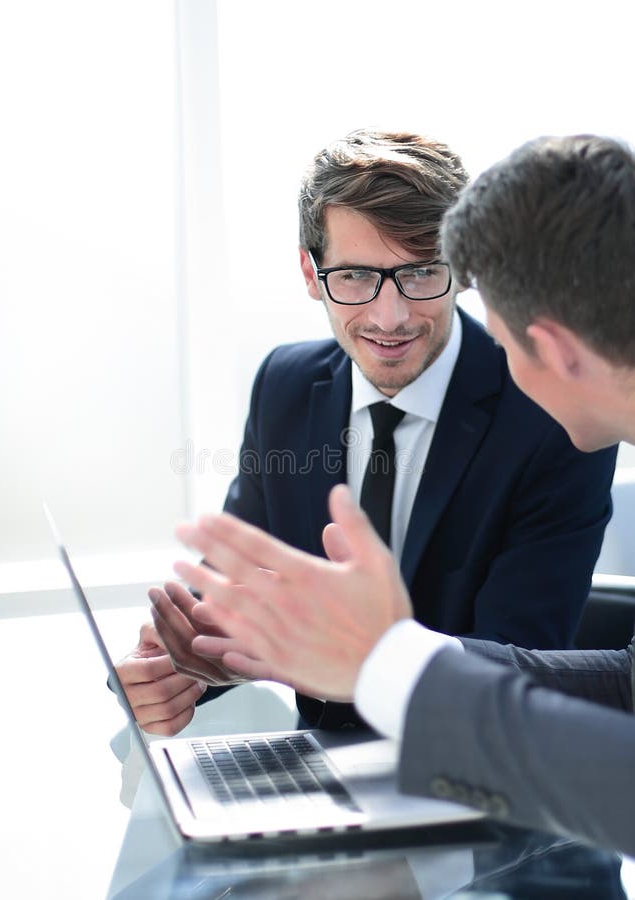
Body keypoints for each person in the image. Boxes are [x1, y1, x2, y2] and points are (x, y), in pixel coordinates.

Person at [150, 134, 635, 856]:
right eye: (356, 279)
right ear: (313, 274)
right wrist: (252, 650)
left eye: (500, 335)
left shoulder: (542, 426)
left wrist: (382, 661)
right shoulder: (286, 385)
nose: (390, 316)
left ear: (554, 349)